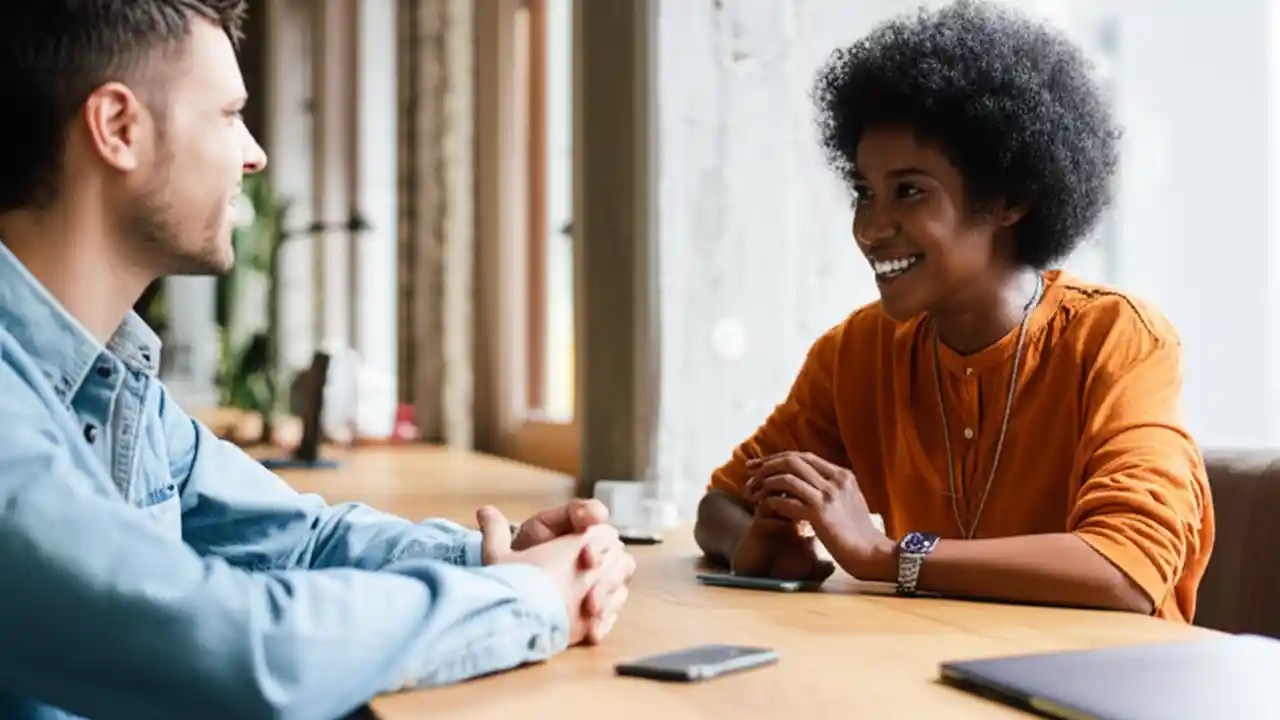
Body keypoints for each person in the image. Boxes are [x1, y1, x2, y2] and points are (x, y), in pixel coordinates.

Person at [0, 2, 634, 718]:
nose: (254, 153)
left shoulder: (112, 383)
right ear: (119, 128)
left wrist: (493, 556)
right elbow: (242, 650)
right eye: (229, 113)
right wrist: (528, 598)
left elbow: (296, 541)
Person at [694, 0, 1213, 623]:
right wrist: (757, 544)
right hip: (937, 674)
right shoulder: (858, 351)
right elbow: (720, 503)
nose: (870, 227)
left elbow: (1126, 569)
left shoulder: (1117, 338)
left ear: (1010, 200)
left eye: (909, 191)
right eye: (864, 191)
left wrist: (886, 556)